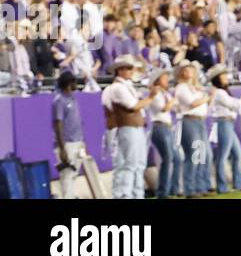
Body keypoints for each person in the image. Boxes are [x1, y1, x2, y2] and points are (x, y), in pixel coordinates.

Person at [52, 70, 104, 199]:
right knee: (67, 174)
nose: (76, 84)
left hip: (77, 140)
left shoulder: (73, 98)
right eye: (74, 82)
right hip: (67, 142)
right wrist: (62, 148)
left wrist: (82, 141)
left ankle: (70, 195)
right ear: (69, 83)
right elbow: (58, 124)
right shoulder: (59, 100)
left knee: (74, 172)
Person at [102, 55, 148, 199]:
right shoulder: (117, 88)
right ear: (120, 70)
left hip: (131, 126)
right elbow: (132, 106)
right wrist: (150, 98)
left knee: (137, 163)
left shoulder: (127, 86)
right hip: (123, 127)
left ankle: (136, 194)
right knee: (126, 163)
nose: (131, 71)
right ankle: (123, 195)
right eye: (128, 68)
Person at [173, 60, 211, 197]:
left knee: (202, 155)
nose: (191, 72)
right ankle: (190, 189)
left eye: (192, 70)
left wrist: (204, 97)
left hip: (200, 121)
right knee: (194, 155)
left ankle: (200, 186)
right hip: (189, 120)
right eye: (188, 69)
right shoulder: (181, 88)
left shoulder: (195, 87)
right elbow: (192, 103)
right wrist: (206, 98)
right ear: (182, 72)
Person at [208, 64, 241, 194]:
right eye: (222, 75)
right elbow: (233, 105)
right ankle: (222, 186)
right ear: (217, 79)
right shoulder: (219, 93)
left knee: (237, 153)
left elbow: (234, 106)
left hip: (228, 123)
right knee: (223, 156)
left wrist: (237, 104)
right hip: (223, 123)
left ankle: (238, 183)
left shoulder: (223, 92)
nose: (226, 77)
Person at [146, 68, 183, 199]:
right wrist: (174, 100)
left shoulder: (165, 94)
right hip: (159, 127)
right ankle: (162, 192)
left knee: (177, 159)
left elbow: (175, 108)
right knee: (167, 158)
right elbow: (164, 108)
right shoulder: (155, 93)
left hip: (167, 127)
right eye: (164, 77)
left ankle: (173, 189)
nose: (167, 79)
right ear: (158, 80)